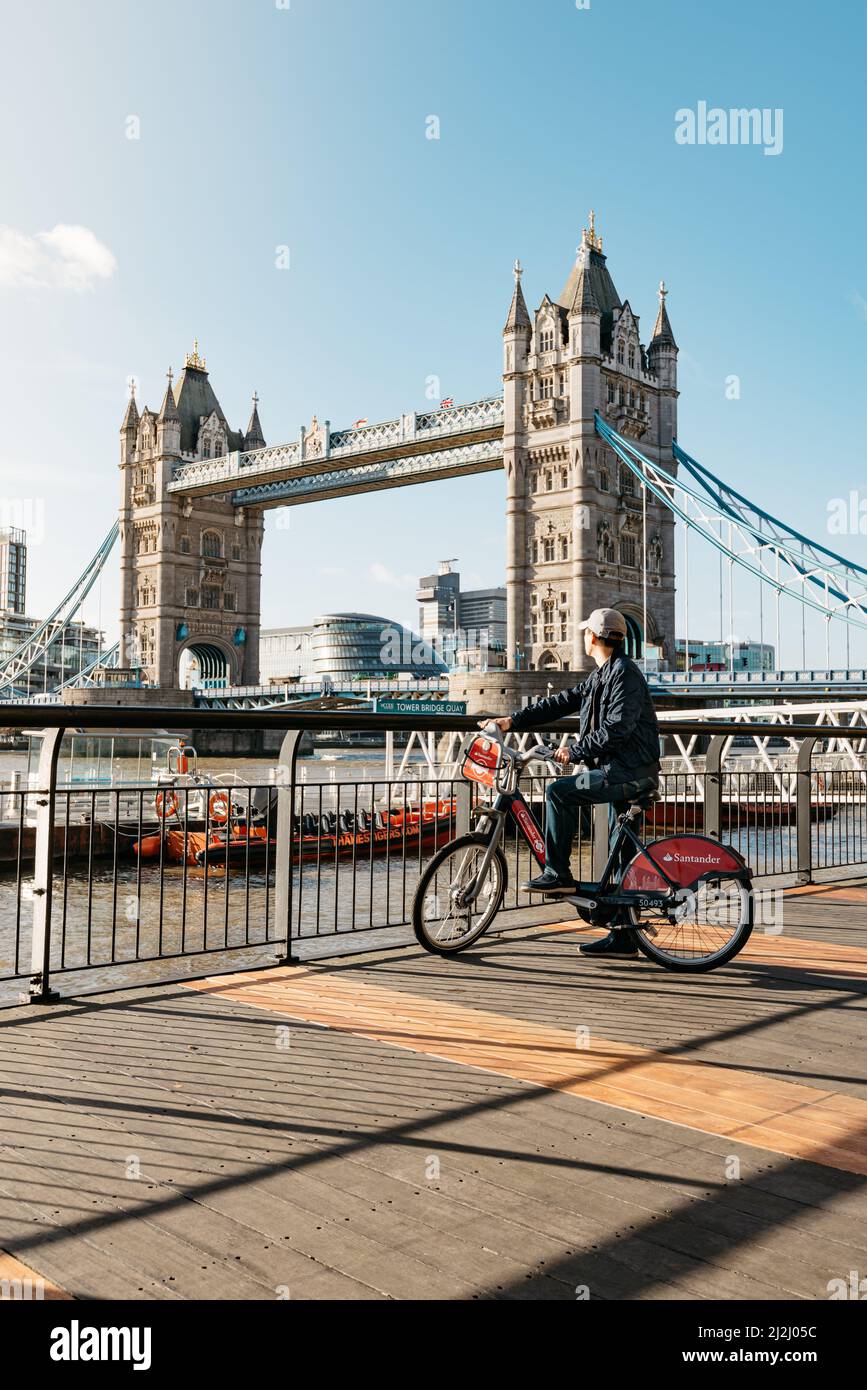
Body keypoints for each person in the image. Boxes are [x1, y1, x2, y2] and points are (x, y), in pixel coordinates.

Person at [486, 608, 660, 958]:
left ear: (593, 637)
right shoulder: (603, 674)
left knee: (558, 792)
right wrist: (511, 721)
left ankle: (557, 872)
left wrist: (575, 752)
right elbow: (561, 702)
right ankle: (626, 938)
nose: (582, 637)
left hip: (627, 773)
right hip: (624, 770)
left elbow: (616, 729)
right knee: (621, 850)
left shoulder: (623, 675)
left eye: (585, 633)